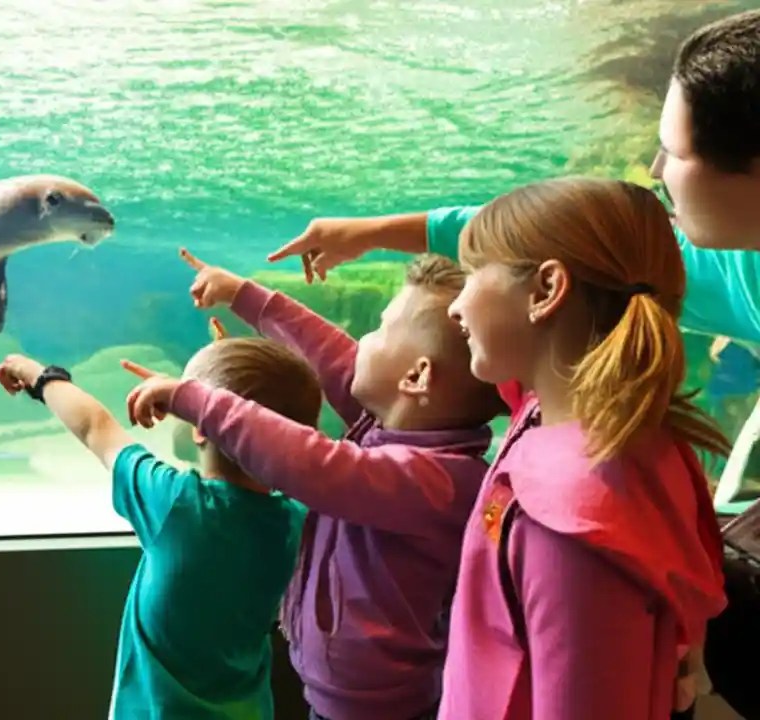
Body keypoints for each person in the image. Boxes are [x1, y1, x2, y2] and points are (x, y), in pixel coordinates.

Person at [265, 11, 760, 717]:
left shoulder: (573, 522)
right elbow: (550, 242)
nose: (655, 170)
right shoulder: (592, 412)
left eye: (673, 151)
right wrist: (370, 235)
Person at [122, 249, 504, 719]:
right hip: (339, 699)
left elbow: (312, 463)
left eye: (380, 330)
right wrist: (246, 297)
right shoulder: (398, 432)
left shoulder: (435, 481)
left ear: (416, 376)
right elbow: (334, 357)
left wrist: (199, 401)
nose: (361, 341)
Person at [0, 336, 319, 720]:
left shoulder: (178, 505)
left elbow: (94, 426)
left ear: (200, 428)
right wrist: (212, 402)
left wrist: (39, 376)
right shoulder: (298, 522)